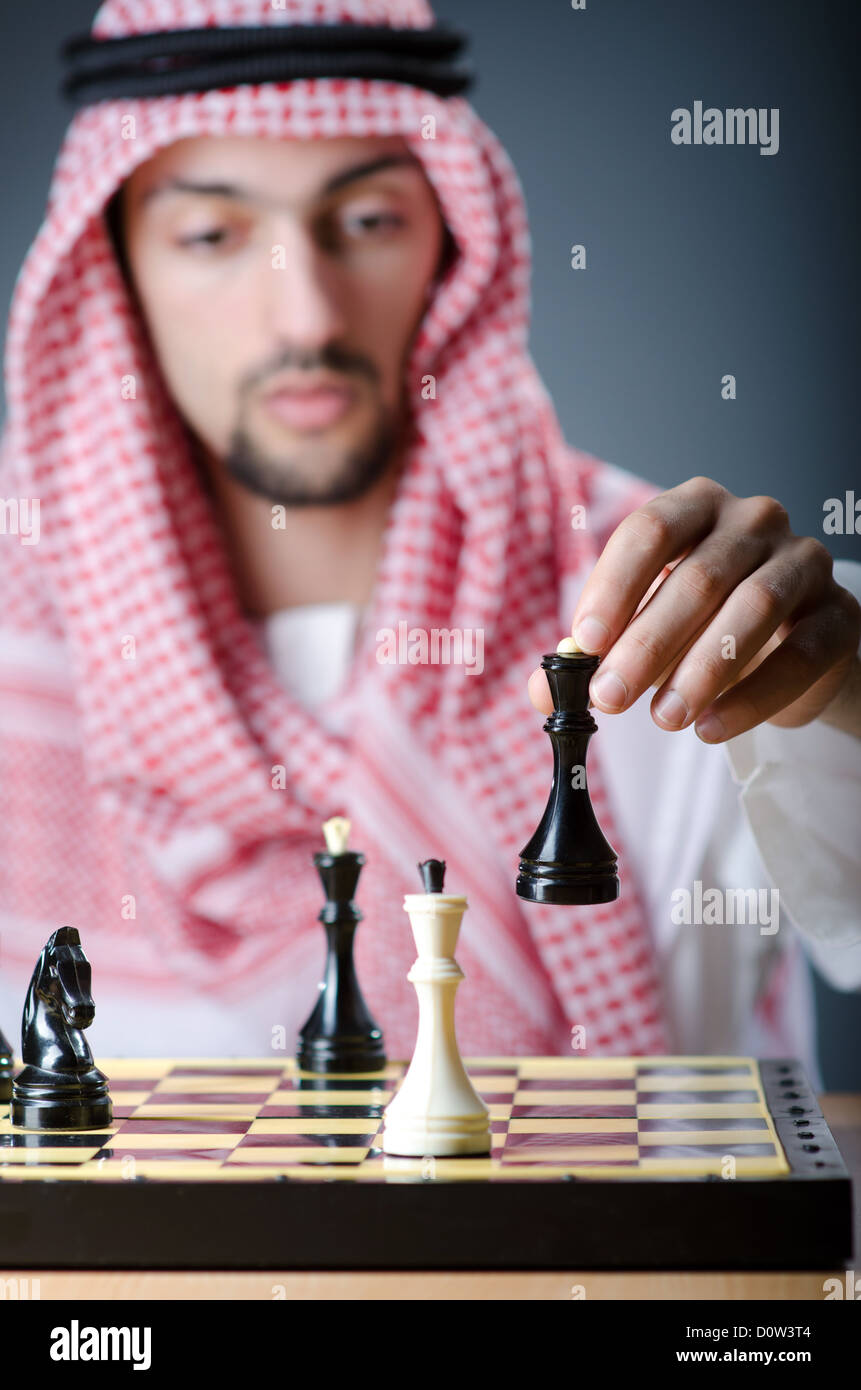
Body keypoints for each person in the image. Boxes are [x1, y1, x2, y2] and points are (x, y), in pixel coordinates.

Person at [0, 0, 858, 1087]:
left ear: (452, 241)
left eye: (366, 220)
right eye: (212, 235)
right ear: (113, 267)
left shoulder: (665, 595)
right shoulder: (15, 626)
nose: (304, 315)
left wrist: (844, 698)